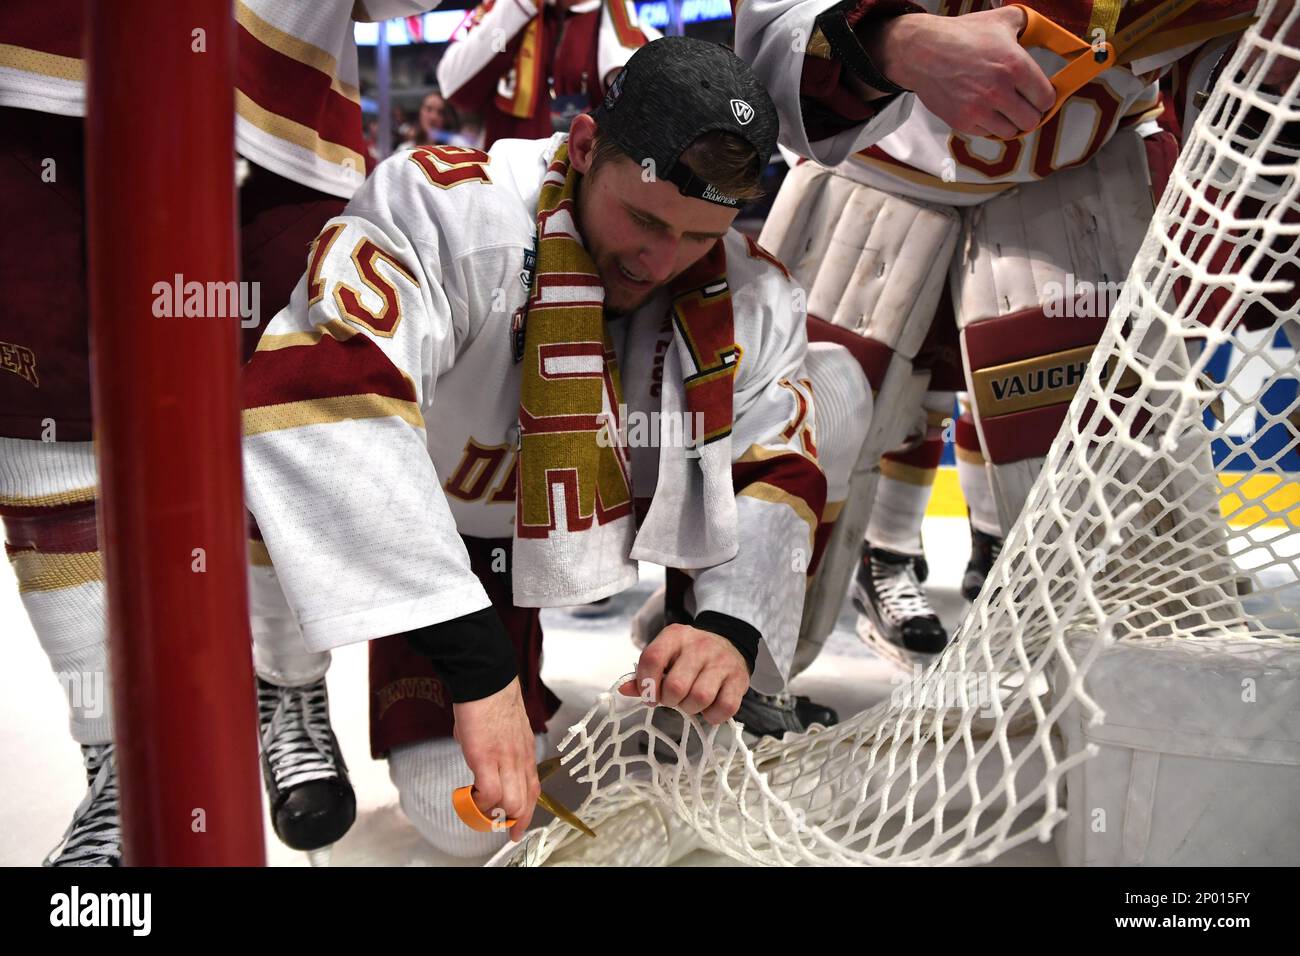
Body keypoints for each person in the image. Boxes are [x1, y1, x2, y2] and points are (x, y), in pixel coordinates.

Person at [240, 36, 871, 856]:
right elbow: (319, 398)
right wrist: (479, 669)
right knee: (463, 823)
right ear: (581, 146)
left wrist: (731, 625)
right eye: (643, 217)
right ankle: (285, 679)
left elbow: (771, 459)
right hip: (445, 547)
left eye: (694, 236)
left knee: (838, 381)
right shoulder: (444, 212)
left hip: (577, 519)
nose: (659, 259)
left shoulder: (744, 286)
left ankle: (686, 633)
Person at [0, 0, 440, 866]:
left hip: (274, 104)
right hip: (28, 74)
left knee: (283, 417)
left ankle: (288, 687)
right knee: (39, 428)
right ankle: (117, 759)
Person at [735, 0, 1261, 663]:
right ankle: (743, 667)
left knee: (1114, 547)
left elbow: (1235, 60)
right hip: (873, 173)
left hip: (1076, 176)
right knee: (791, 464)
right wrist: (892, 39)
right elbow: (765, 35)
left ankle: (1118, 706)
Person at [437, 0, 657, 150]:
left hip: (584, 198)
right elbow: (454, 86)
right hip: (508, 194)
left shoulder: (635, 34)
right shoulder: (510, 10)